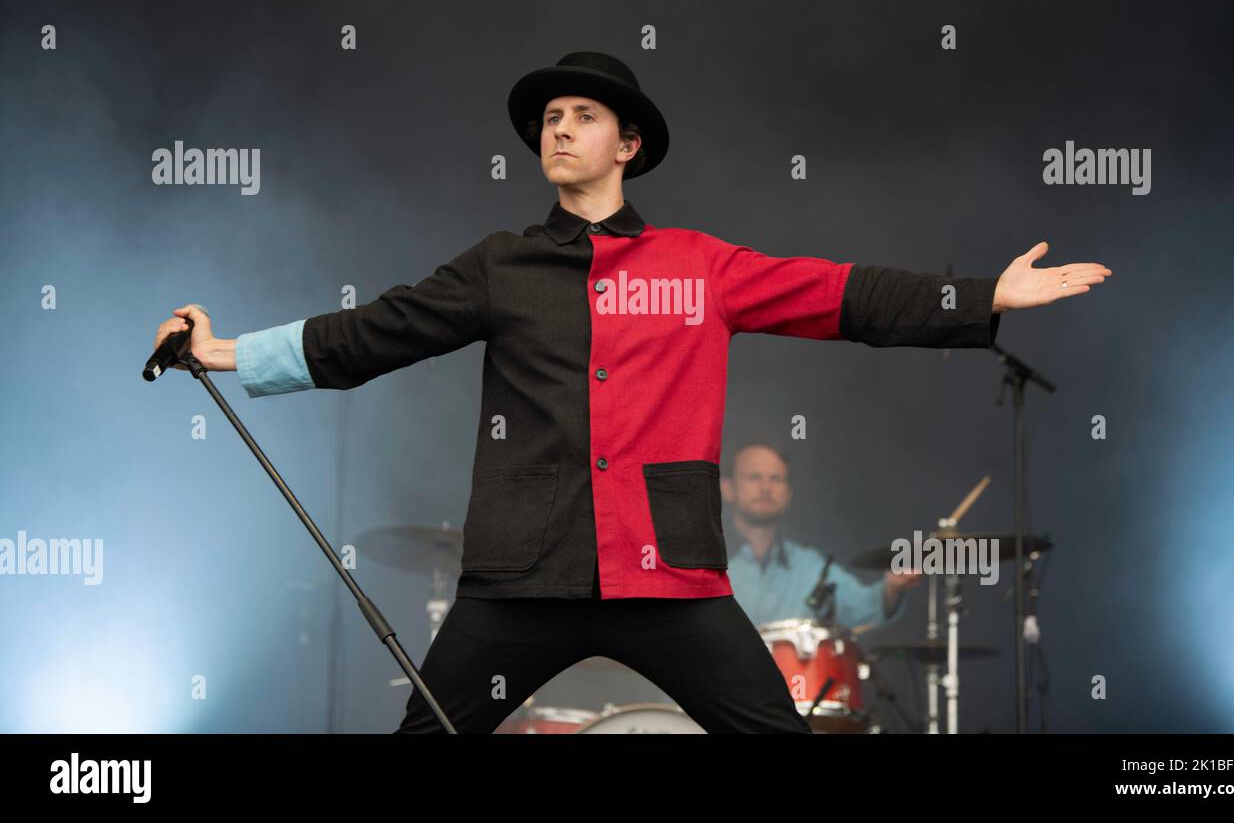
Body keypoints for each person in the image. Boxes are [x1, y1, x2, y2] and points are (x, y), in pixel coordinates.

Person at [150, 50, 1111, 733]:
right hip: (522, 580)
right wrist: (226, 349)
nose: (558, 130)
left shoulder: (700, 265)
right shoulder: (503, 265)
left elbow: (841, 295)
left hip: (670, 579)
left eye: (582, 117)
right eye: (548, 121)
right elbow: (375, 332)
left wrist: (982, 295)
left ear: (629, 145)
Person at [723, 442, 922, 632]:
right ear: (727, 488)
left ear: (787, 493)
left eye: (776, 478)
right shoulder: (704, 561)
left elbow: (862, 607)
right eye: (754, 477)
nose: (766, 487)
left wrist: (892, 587)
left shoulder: (809, 566)